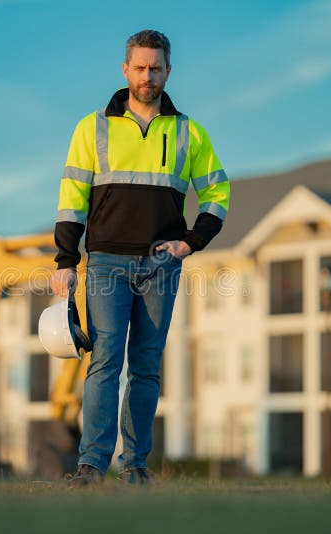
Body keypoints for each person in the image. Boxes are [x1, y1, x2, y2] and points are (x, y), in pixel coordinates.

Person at [50, 29, 231, 487]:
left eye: (156, 67)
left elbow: (217, 192)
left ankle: (135, 467)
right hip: (106, 263)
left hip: (161, 266)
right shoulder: (92, 128)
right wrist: (65, 262)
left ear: (168, 71)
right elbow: (72, 196)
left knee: (146, 366)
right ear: (125, 69)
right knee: (106, 360)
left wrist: (191, 242)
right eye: (140, 66)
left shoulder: (189, 131)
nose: (147, 75)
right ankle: (91, 465)